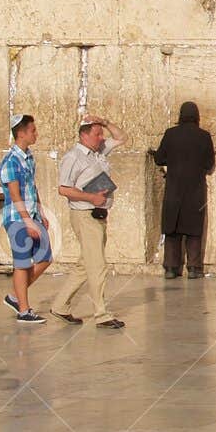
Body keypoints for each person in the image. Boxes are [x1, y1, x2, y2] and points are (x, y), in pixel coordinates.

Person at [51, 116, 125, 330]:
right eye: (96, 134)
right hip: (85, 215)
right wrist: (91, 198)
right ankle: (101, 314)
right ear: (84, 135)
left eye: (101, 134)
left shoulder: (99, 151)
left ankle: (60, 306)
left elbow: (121, 138)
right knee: (98, 265)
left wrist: (105, 122)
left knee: (85, 265)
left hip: (99, 214)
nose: (101, 137)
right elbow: (63, 189)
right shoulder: (73, 157)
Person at [153, 101, 215, 280]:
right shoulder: (204, 136)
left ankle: (172, 267)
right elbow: (209, 163)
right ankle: (194, 268)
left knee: (172, 228)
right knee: (194, 228)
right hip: (195, 189)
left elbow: (159, 158)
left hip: (174, 188)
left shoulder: (171, 134)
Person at [0, 113, 50, 323]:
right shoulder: (11, 161)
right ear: (21, 133)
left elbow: (32, 187)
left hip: (32, 214)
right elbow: (15, 194)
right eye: (33, 130)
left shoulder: (28, 157)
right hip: (18, 217)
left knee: (45, 258)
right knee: (22, 263)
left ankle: (14, 296)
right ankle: (24, 310)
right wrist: (27, 221)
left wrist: (41, 211)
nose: (36, 134)